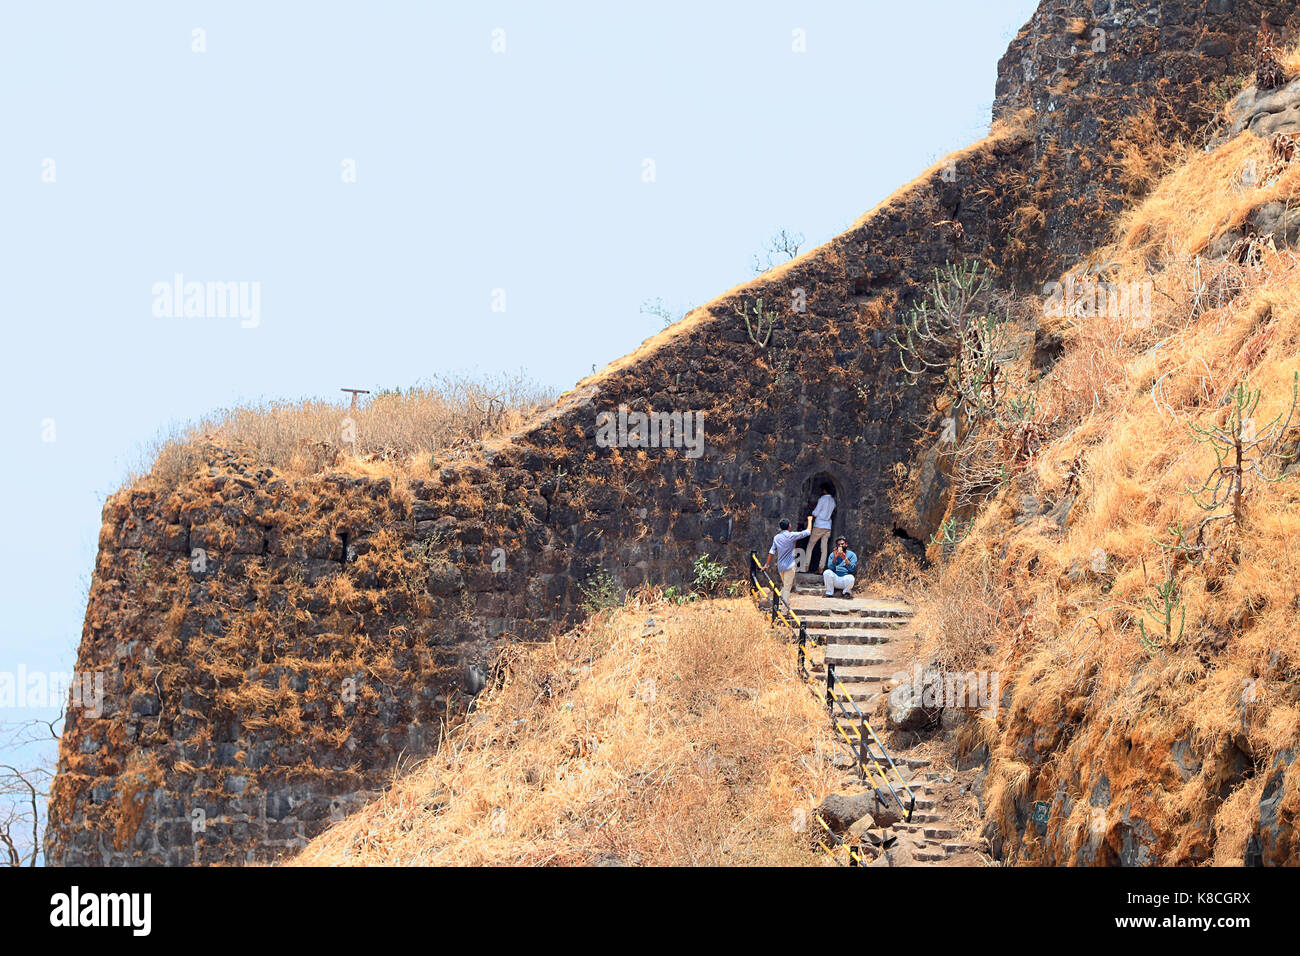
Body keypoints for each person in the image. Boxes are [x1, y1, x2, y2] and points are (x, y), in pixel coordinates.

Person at [762, 515, 813, 606]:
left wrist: (766, 564)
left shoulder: (776, 537)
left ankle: (777, 602)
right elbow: (808, 532)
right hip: (789, 566)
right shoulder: (791, 535)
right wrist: (810, 520)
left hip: (780, 566)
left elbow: (771, 552)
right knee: (787, 588)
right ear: (789, 526)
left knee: (785, 585)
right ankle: (784, 610)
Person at [806, 482, 836, 572]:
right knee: (824, 548)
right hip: (828, 526)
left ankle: (806, 566)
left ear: (824, 490)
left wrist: (813, 511)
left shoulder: (822, 499)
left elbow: (815, 512)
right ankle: (821, 568)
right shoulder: (833, 501)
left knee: (810, 546)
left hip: (819, 525)